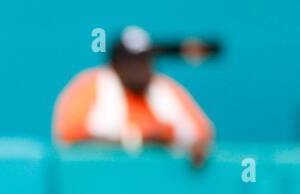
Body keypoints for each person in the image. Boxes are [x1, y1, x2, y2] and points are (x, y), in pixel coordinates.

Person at [52, 26, 214, 167]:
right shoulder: (91, 86)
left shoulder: (165, 89)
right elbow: (71, 139)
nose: (139, 69)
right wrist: (138, 140)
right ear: (114, 64)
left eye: (145, 60)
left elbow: (203, 134)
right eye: (131, 62)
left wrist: (186, 144)